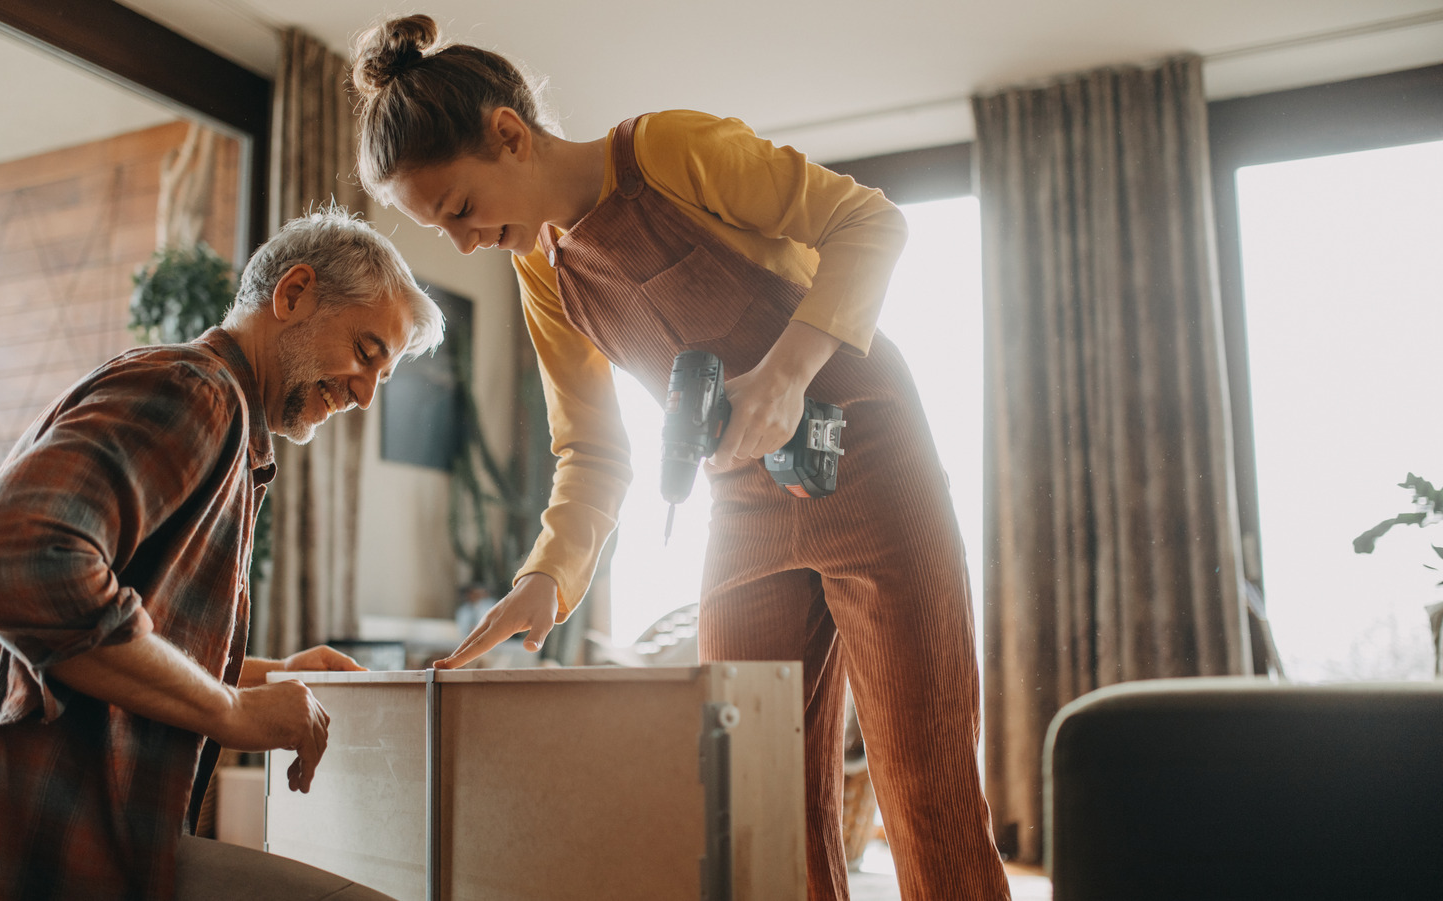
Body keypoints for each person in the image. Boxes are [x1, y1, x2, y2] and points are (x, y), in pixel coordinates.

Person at [347, 15, 1011, 901]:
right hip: (741, 493)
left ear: (509, 134)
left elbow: (868, 222)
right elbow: (591, 445)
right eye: (443, 230)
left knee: (926, 790)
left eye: (461, 209)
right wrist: (546, 577)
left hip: (868, 446)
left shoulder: (666, 152)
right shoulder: (541, 271)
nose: (465, 242)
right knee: (751, 795)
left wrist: (785, 374)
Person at [0, 207, 444, 901]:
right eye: (366, 352)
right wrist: (231, 709)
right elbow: (6, 562)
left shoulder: (218, 416)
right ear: (294, 293)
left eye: (382, 376)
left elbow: (113, 642)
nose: (365, 396)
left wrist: (265, 674)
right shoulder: (198, 392)